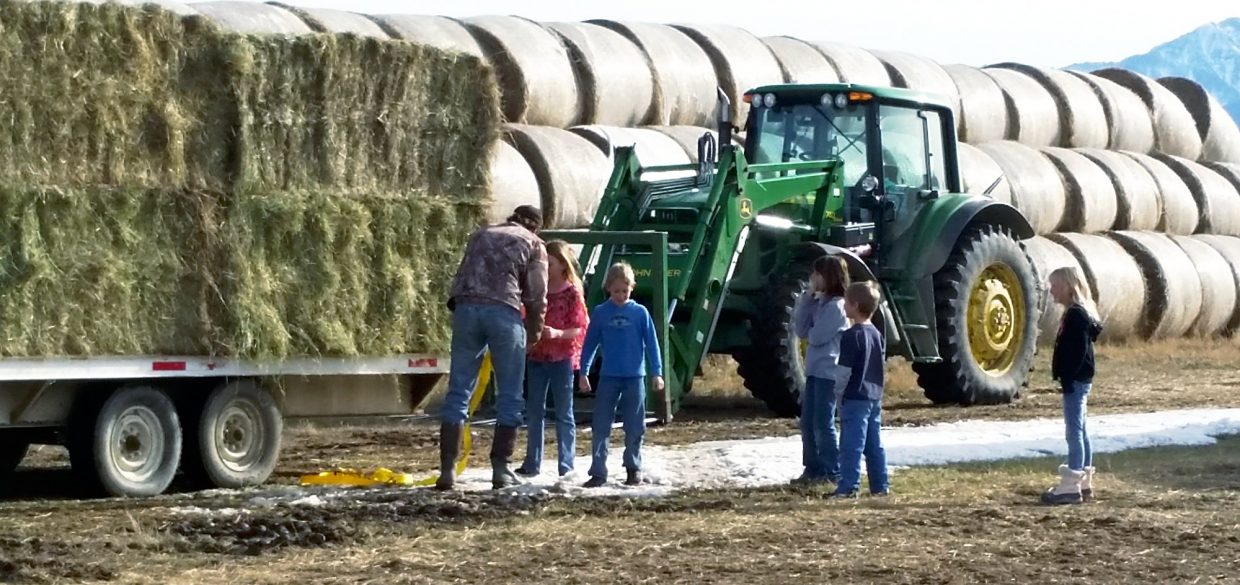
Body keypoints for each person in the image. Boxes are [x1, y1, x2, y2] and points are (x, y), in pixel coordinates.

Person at [436, 205, 548, 491]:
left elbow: (461, 275)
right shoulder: (534, 243)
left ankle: (448, 470)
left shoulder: (481, 233)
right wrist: (533, 333)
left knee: (459, 391)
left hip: (465, 308)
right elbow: (536, 296)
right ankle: (501, 468)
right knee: (510, 394)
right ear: (536, 226)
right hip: (504, 311)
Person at [578, 262, 664, 488]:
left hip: (634, 377)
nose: (620, 296)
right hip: (609, 377)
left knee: (635, 424)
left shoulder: (640, 313)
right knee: (601, 424)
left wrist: (657, 372)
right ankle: (598, 471)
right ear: (608, 288)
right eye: (616, 291)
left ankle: (633, 467)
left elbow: (652, 344)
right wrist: (584, 371)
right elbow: (590, 344)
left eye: (625, 291)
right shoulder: (601, 313)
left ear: (632, 288)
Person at [516, 241, 589, 478]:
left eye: (551, 262)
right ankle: (532, 462)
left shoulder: (571, 293)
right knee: (534, 411)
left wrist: (557, 334)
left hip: (561, 359)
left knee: (564, 412)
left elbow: (580, 328)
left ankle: (566, 464)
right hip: (537, 356)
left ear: (563, 265)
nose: (546, 266)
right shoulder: (538, 290)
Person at [1041, 266, 1104, 505]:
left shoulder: (1075, 315)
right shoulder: (1079, 313)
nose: (1051, 291)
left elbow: (1077, 352)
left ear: (1068, 287)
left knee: (1074, 432)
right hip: (1080, 379)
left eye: (1055, 286)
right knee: (1081, 429)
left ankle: (1070, 486)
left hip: (1076, 381)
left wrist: (1067, 378)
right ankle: (1084, 482)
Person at [791, 255, 850, 485]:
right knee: (808, 422)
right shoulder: (819, 303)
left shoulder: (837, 307)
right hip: (814, 371)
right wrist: (807, 299)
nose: (813, 278)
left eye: (817, 274)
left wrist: (812, 327)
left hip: (829, 373)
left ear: (828, 276)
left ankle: (831, 469)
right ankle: (812, 468)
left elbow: (816, 337)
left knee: (823, 423)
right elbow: (801, 329)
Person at [831, 281, 890, 498]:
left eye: (846, 302)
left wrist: (838, 393)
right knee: (874, 445)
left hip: (855, 396)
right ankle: (880, 485)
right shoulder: (876, 334)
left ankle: (848, 487)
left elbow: (844, 371)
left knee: (851, 445)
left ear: (855, 305)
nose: (844, 306)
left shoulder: (851, 336)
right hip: (874, 396)